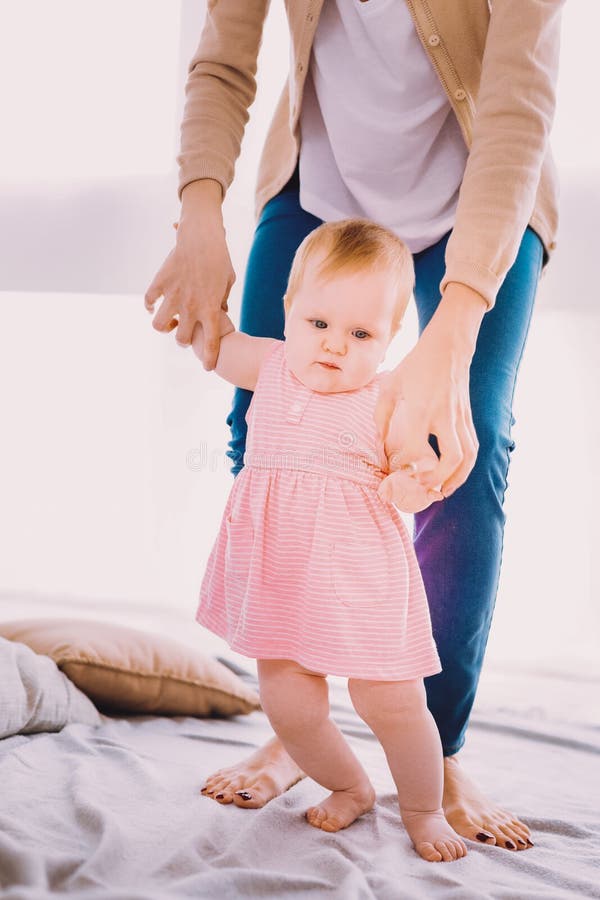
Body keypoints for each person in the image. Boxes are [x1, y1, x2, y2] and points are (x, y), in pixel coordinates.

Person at [145, 0, 563, 852]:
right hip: (318, 193)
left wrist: (458, 318)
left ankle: (434, 753)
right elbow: (223, 62)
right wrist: (197, 214)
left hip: (479, 199)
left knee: (463, 446)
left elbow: (519, 104)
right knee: (268, 428)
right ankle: (301, 722)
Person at [191, 217, 468, 862]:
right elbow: (212, 342)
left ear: (391, 337)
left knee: (389, 699)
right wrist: (194, 292)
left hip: (359, 579)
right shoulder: (269, 364)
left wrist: (413, 486)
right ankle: (348, 784)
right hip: (280, 571)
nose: (334, 346)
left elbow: (418, 470)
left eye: (361, 333)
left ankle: (424, 809)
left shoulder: (388, 397)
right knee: (286, 697)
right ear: (289, 311)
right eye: (318, 324)